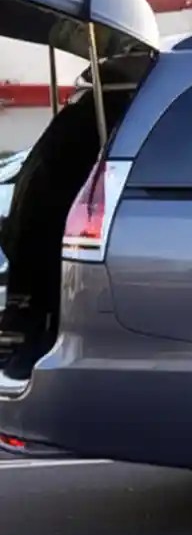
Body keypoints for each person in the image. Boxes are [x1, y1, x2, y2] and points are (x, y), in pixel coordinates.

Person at [0, 60, 136, 386]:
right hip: (53, 240)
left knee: (34, 329)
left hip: (35, 235)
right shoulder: (96, 125)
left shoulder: (72, 121)